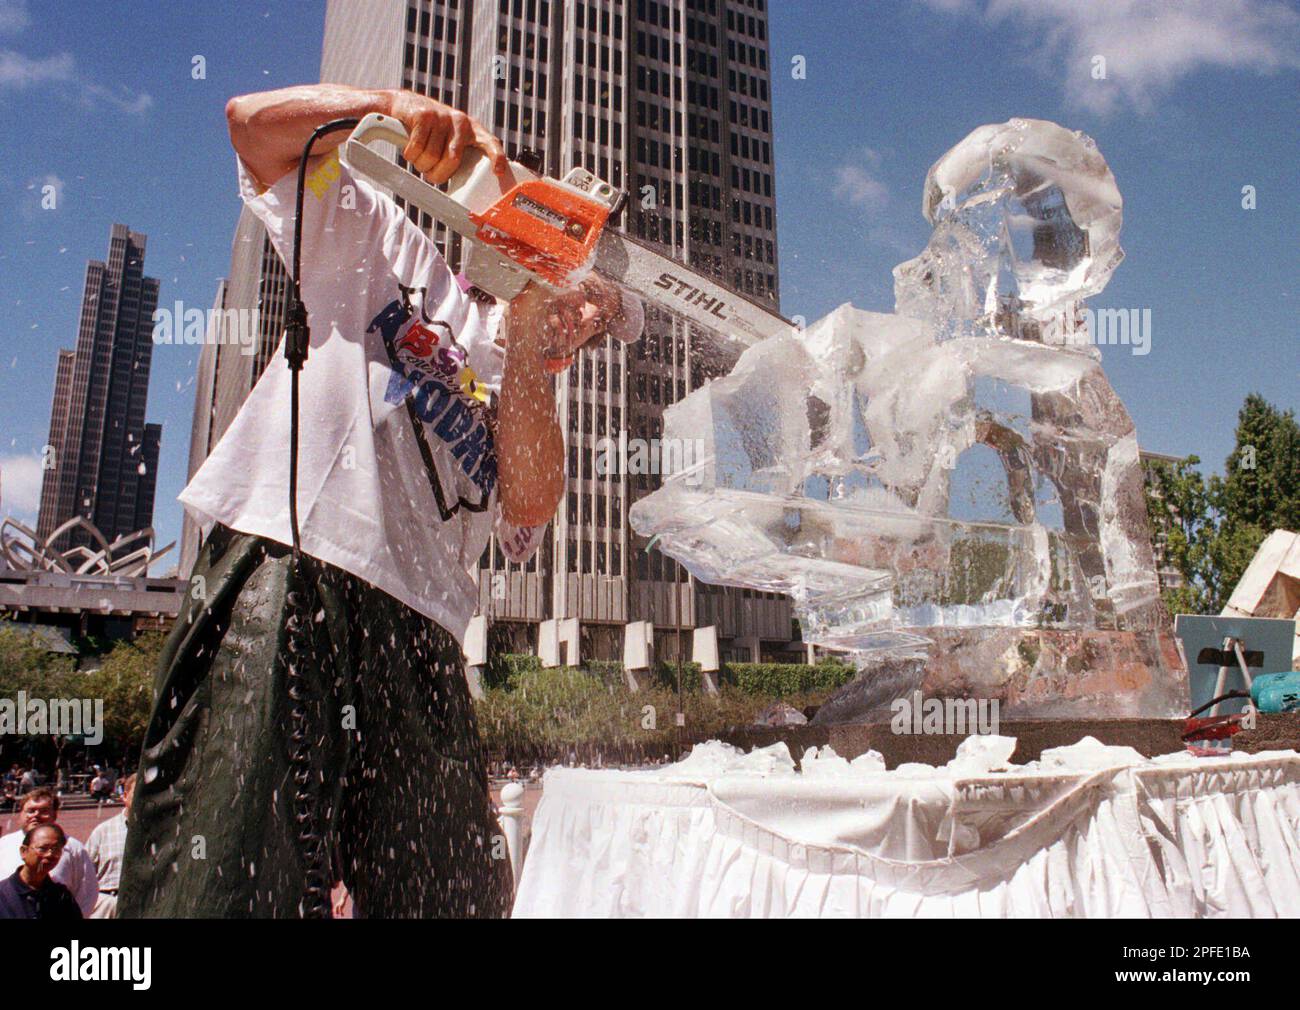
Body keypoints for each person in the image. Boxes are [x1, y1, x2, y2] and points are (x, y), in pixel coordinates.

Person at [118, 84, 642, 919]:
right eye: (586, 292)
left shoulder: (525, 392)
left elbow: (532, 501)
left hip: (425, 638)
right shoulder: (385, 244)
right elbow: (250, 131)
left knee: (453, 900)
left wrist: (531, 303)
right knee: (219, 884)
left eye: (597, 319)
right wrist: (393, 109)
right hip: (292, 577)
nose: (586, 320)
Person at [0, 787, 99, 915]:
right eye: (30, 811)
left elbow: (87, 893)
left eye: (44, 811)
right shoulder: (3, 843)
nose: (36, 815)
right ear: (21, 814)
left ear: (55, 814)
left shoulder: (74, 848)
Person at [0, 824, 83, 920]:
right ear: (24, 851)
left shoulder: (61, 897)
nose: (50, 854)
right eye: (43, 848)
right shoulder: (3, 894)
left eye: (56, 850)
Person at [85, 773, 135, 918]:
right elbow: (84, 874)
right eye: (136, 794)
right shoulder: (103, 831)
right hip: (108, 902)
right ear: (124, 796)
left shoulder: (161, 830)